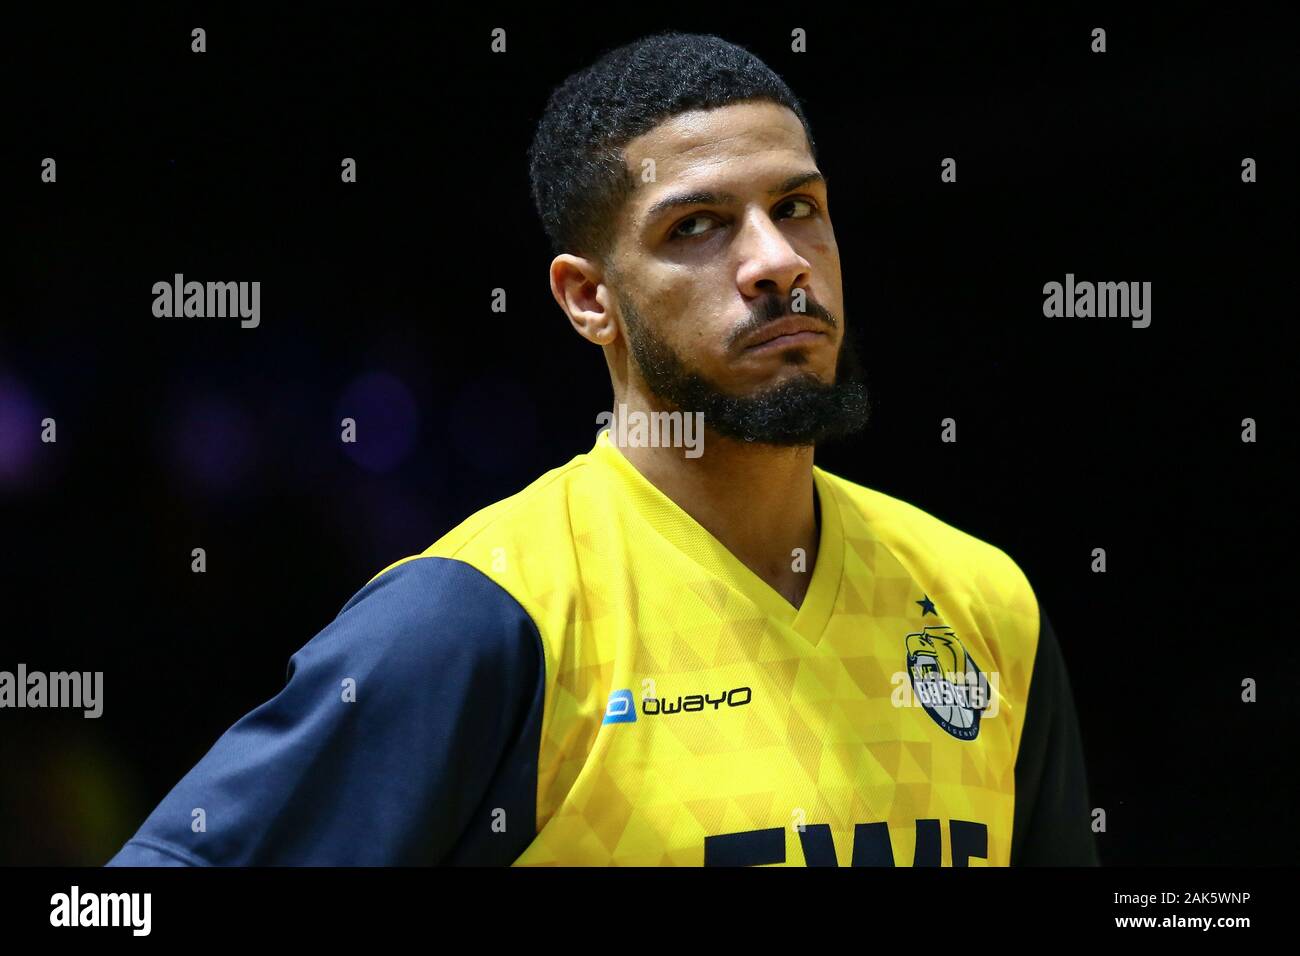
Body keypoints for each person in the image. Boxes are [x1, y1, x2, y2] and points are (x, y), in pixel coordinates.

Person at [106, 31, 1098, 867]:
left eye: (796, 208)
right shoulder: (481, 613)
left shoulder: (981, 599)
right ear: (589, 299)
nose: (776, 262)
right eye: (700, 225)